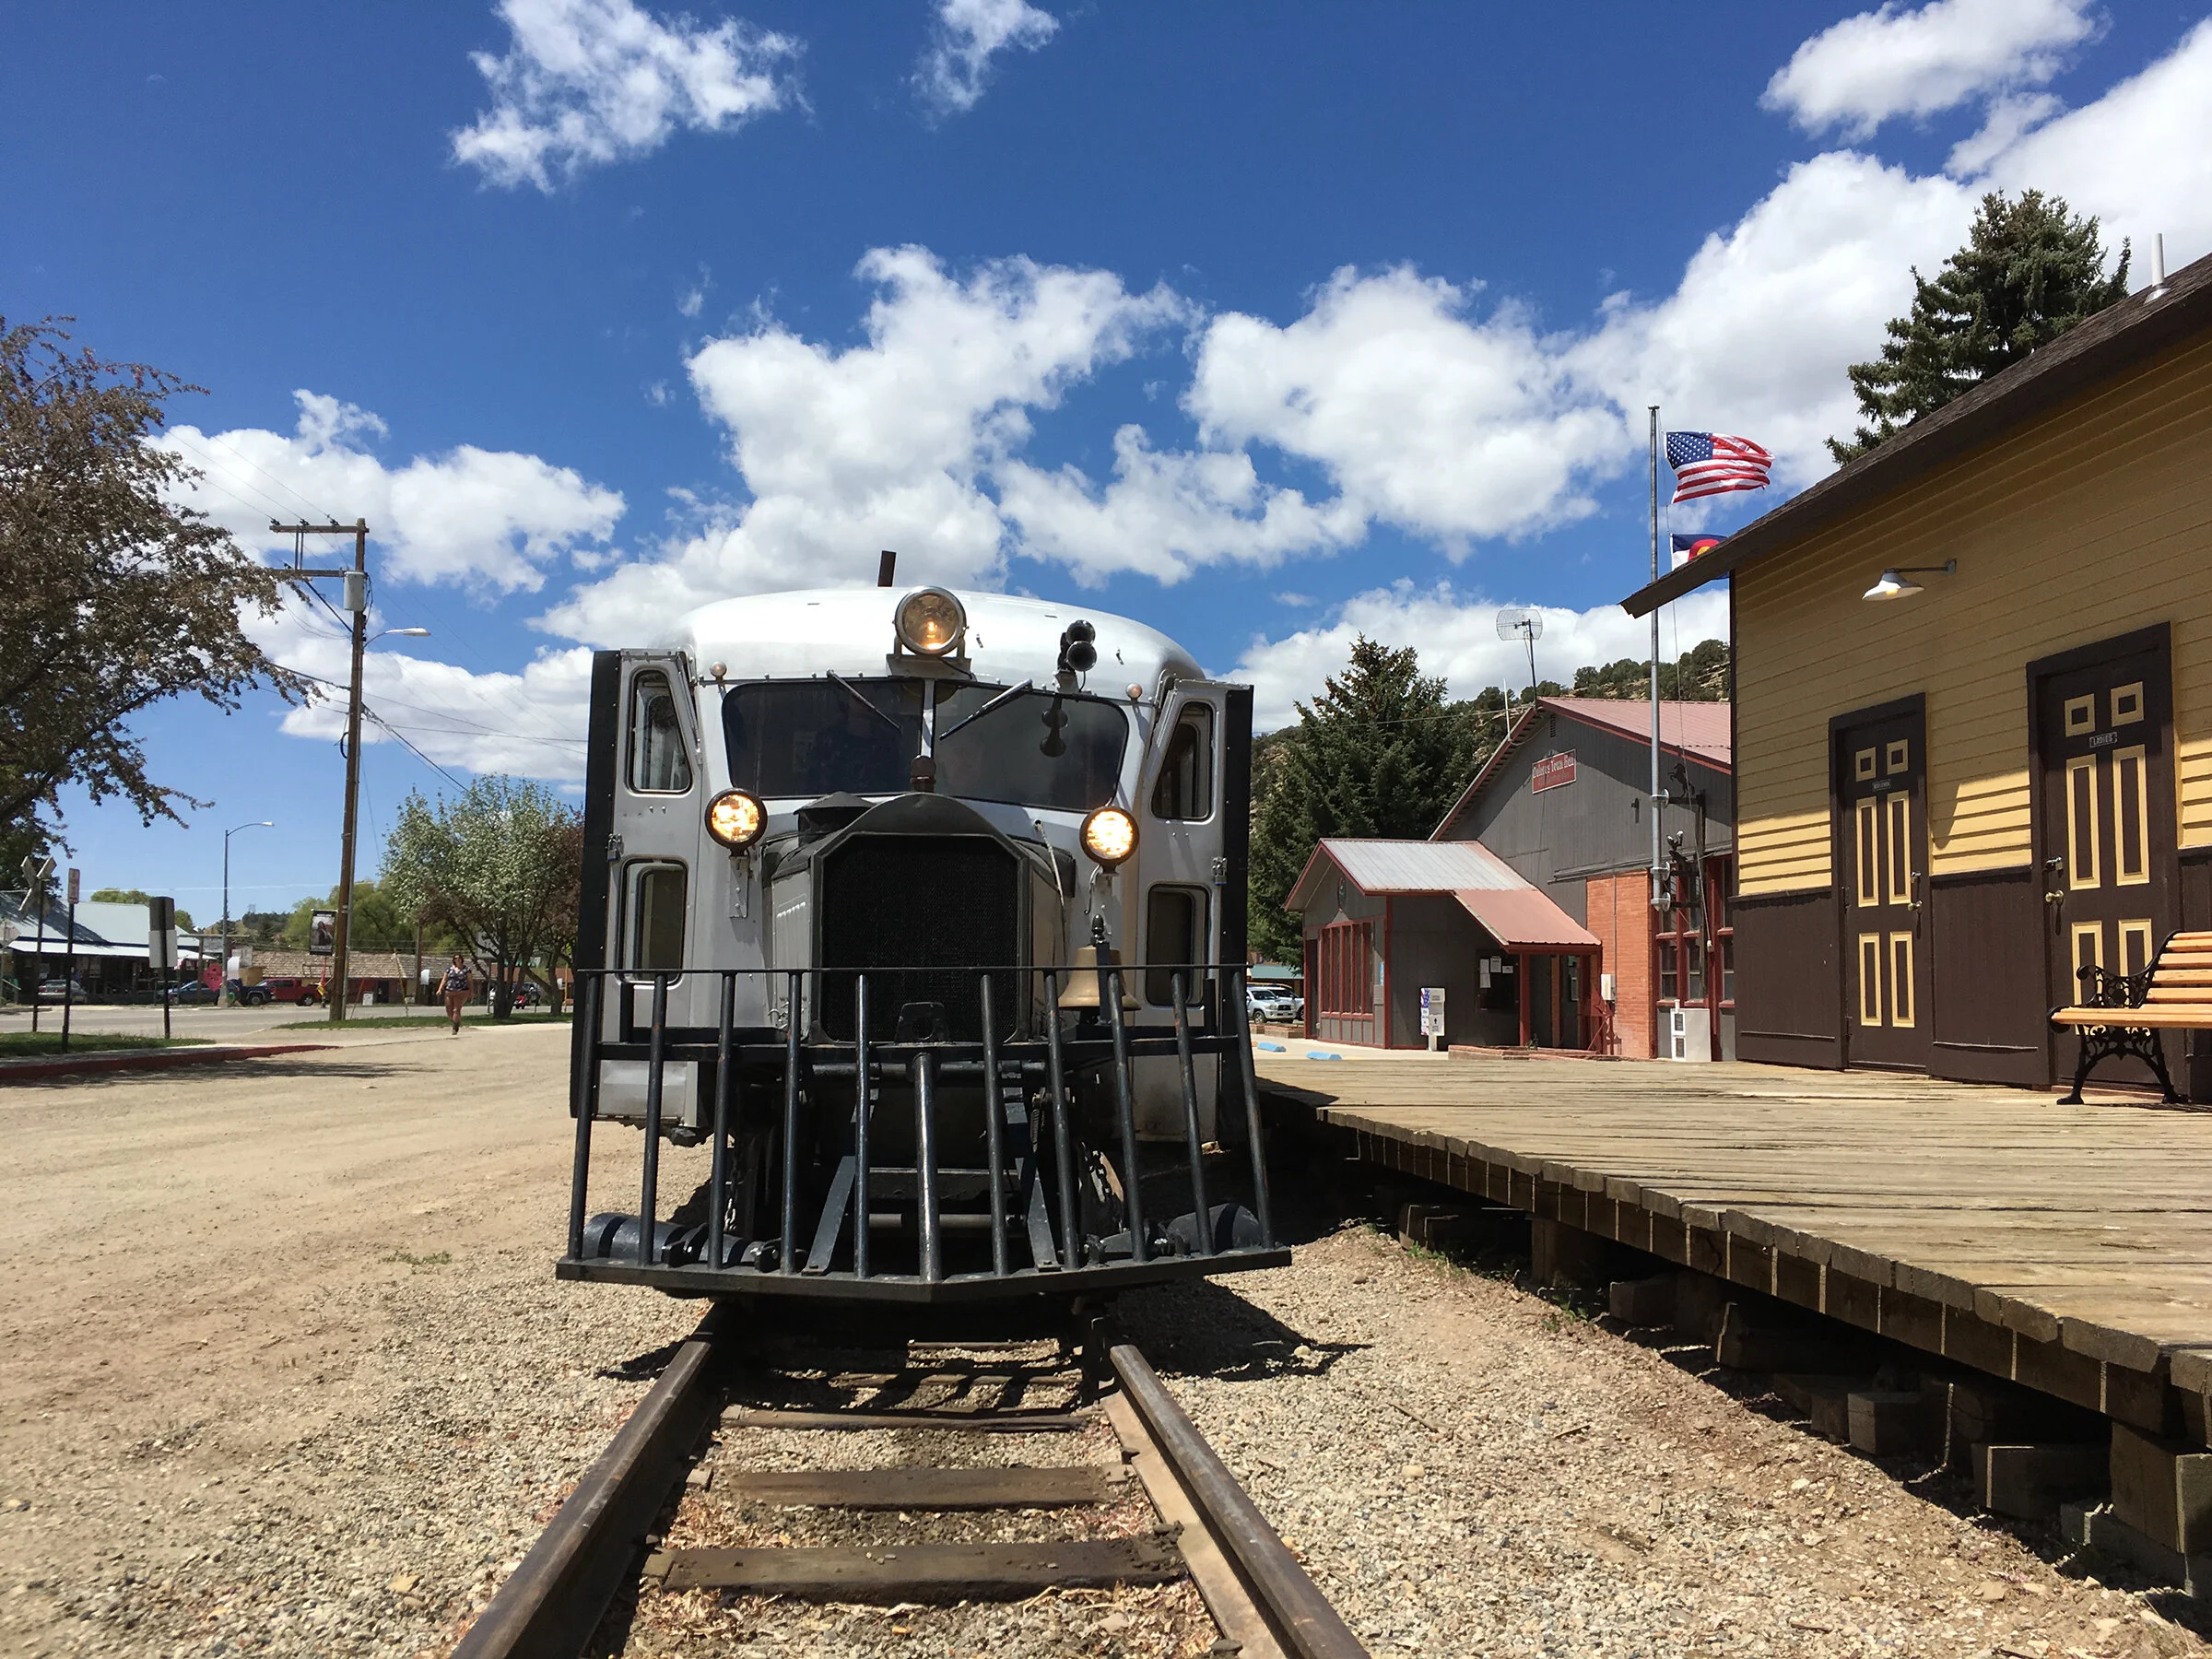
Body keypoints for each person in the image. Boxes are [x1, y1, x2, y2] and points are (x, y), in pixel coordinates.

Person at [441, 953, 472, 1036]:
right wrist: (440, 989)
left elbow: (470, 982)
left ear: (461, 959)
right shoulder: (449, 969)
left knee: (456, 1009)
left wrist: (471, 992)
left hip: (462, 991)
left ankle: (455, 1028)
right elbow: (444, 979)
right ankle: (456, 1022)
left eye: (458, 958)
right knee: (449, 1010)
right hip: (449, 991)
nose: (457, 959)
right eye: (455, 958)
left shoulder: (466, 970)